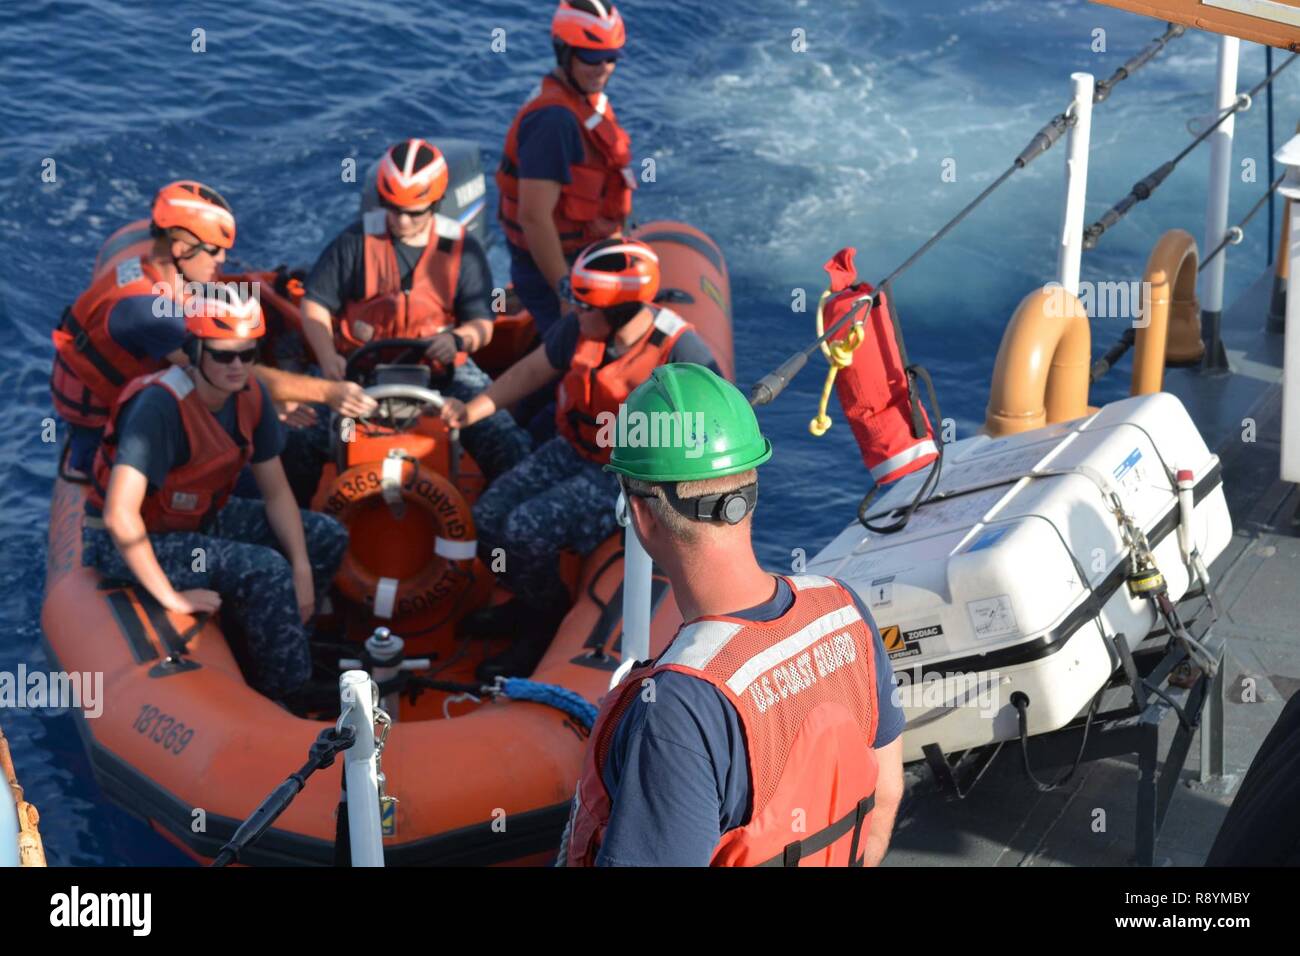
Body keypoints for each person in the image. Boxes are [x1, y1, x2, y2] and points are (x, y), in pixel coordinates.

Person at [557, 363, 906, 866]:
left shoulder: (681, 706)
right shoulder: (843, 609)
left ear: (642, 515)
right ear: (752, 487)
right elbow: (886, 793)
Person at [440, 238, 719, 681]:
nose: (575, 309)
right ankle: (524, 601)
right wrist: (473, 410)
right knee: (489, 515)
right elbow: (532, 371)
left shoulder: (680, 353)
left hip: (623, 474)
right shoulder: (580, 331)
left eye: (585, 303)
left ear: (619, 310)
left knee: (525, 528)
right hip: (573, 448)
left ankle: (541, 623)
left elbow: (713, 428)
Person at [80, 286, 349, 703]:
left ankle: (287, 644)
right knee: (265, 569)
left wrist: (302, 569)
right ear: (194, 349)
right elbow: (120, 516)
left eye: (248, 354)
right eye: (224, 355)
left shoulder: (249, 396)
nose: (237, 366)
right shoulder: (160, 406)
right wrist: (169, 597)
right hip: (132, 540)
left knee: (325, 536)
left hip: (197, 516)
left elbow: (276, 492)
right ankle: (286, 692)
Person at [50, 180, 377, 477]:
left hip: (161, 380)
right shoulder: (146, 310)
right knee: (253, 471)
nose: (222, 260)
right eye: (214, 251)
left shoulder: (163, 273)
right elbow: (220, 367)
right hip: (108, 426)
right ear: (180, 249)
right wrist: (328, 393)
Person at [299, 138, 531, 484]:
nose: (401, 221)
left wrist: (458, 340)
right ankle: (301, 526)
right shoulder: (354, 242)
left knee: (505, 439)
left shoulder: (461, 250)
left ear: (436, 204)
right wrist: (327, 355)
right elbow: (314, 304)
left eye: (413, 212)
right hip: (357, 374)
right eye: (391, 208)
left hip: (442, 376)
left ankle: (496, 524)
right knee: (298, 437)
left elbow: (482, 323)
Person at [498, 0, 634, 438]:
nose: (604, 67)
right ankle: (534, 442)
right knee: (572, 361)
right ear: (564, 53)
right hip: (560, 268)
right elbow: (535, 218)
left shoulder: (583, 101)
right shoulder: (555, 121)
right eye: (592, 57)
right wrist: (564, 289)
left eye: (612, 57)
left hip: (584, 257)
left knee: (566, 351)